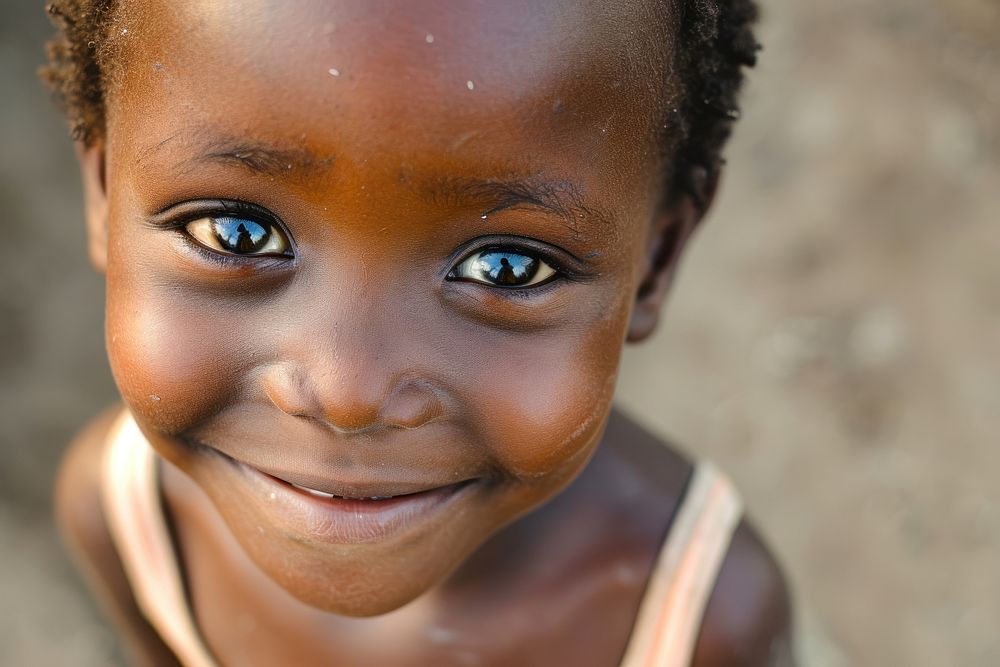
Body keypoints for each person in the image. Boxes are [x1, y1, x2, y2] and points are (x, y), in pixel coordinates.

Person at [41, 0, 794, 664]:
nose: (348, 390)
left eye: (506, 267)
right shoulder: (124, 516)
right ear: (105, 192)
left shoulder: (703, 617)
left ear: (657, 259)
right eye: (236, 233)